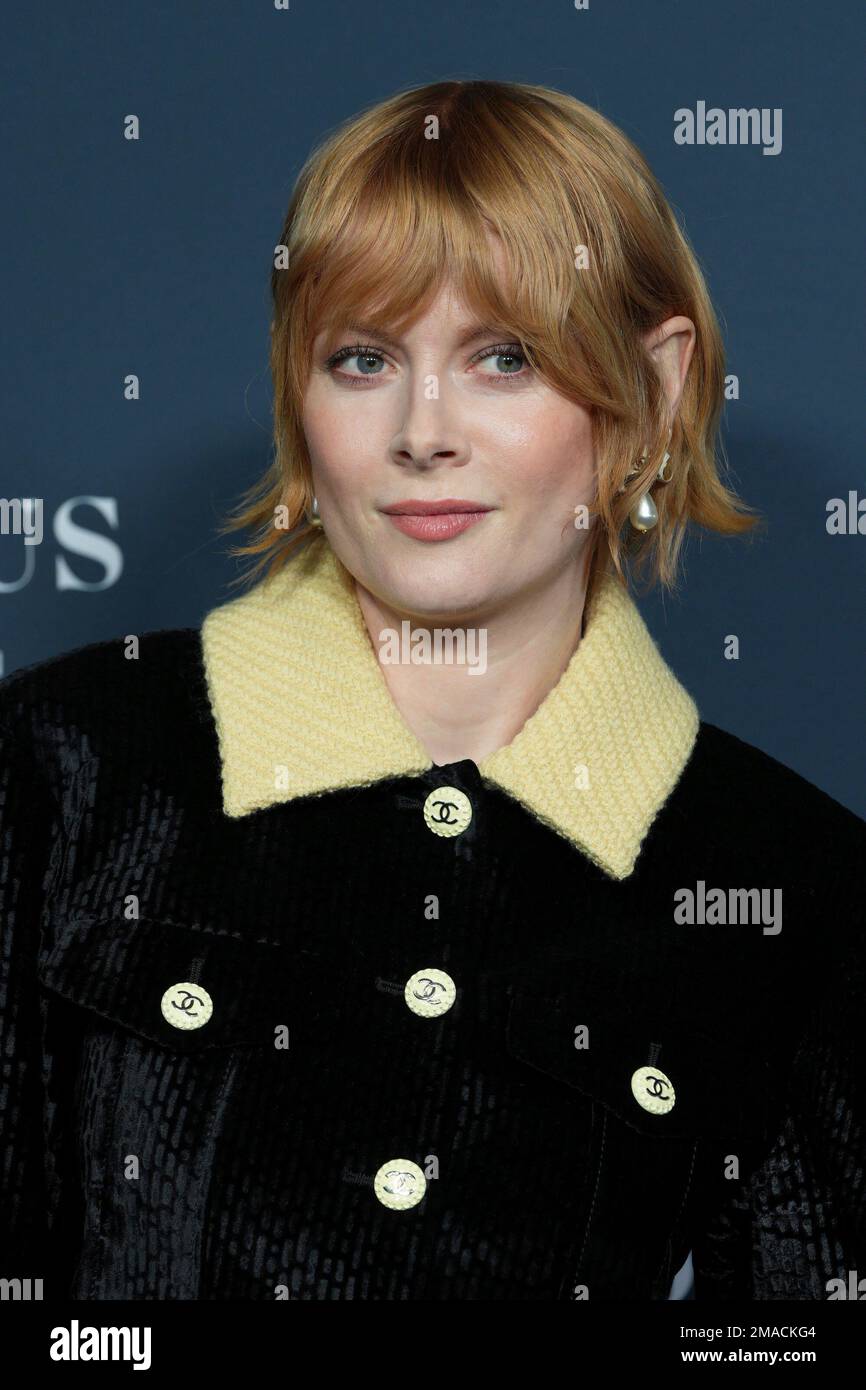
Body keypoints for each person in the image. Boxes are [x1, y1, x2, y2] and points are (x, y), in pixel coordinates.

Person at [1, 78, 863, 1302]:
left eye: (502, 358)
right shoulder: (61, 766)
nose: (422, 429)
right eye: (361, 359)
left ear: (656, 391)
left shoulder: (795, 883)